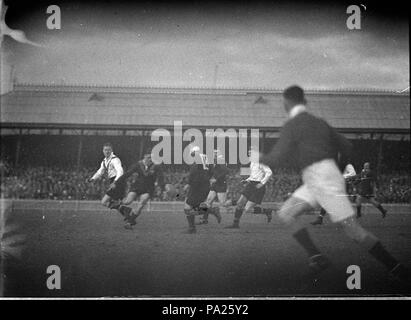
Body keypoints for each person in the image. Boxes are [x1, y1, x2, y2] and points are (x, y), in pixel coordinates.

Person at [261, 85, 407, 279]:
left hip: (319, 178)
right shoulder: (320, 122)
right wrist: (337, 171)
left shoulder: (292, 124)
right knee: (287, 212)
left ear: (286, 103)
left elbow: (277, 158)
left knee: (354, 231)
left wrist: (259, 156)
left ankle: (396, 268)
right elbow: (347, 146)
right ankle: (317, 257)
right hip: (320, 178)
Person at [111, 151, 165, 229]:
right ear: (144, 157)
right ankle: (118, 204)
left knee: (141, 204)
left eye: (151, 158)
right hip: (137, 186)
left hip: (148, 189)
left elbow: (161, 178)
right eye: (148, 157)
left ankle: (130, 222)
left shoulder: (157, 166)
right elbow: (127, 174)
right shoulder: (138, 165)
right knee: (127, 202)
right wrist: (116, 182)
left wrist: (162, 188)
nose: (150, 159)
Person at [225, 147, 273, 229]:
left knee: (247, 209)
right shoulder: (252, 163)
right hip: (250, 185)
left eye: (251, 153)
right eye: (249, 153)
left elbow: (269, 172)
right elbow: (253, 176)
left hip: (258, 187)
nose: (249, 154)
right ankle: (235, 224)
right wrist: (246, 180)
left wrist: (262, 183)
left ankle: (266, 211)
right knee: (240, 203)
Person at [183, 146, 220, 233]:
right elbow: (211, 172)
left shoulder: (197, 161)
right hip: (204, 186)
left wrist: (188, 183)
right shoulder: (206, 159)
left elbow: (194, 173)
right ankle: (192, 228)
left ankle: (212, 210)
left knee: (187, 208)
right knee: (189, 207)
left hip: (197, 186)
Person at [88, 143, 126, 214]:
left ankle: (127, 211)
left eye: (108, 150)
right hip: (113, 181)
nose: (107, 151)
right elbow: (100, 171)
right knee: (115, 202)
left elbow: (120, 171)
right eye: (105, 150)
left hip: (118, 181)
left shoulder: (115, 160)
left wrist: (115, 182)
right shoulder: (104, 161)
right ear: (103, 151)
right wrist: (93, 178)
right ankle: (128, 215)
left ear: (112, 150)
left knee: (104, 202)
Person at [198, 149, 227, 225]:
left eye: (216, 153)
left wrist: (216, 179)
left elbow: (225, 171)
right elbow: (211, 172)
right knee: (208, 201)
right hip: (215, 185)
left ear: (220, 153)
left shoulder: (221, 160)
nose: (214, 154)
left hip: (221, 184)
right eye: (214, 153)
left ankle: (236, 202)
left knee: (223, 203)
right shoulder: (213, 161)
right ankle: (204, 219)